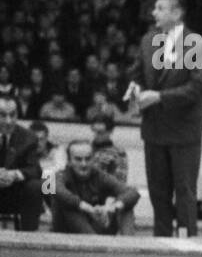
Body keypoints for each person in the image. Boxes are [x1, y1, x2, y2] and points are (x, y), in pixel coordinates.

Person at [130, 0, 202, 237]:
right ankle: (161, 243)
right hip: (153, 130)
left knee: (184, 194)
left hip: (183, 132)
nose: (154, 12)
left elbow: (197, 88)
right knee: (158, 193)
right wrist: (134, 93)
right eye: (155, 8)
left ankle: (185, 244)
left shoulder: (195, 43)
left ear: (177, 13)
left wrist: (160, 97)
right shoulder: (146, 40)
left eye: (161, 8)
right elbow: (136, 76)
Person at [51, 139, 140, 235]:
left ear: (93, 159)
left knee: (126, 205)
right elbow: (52, 188)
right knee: (68, 205)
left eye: (88, 159)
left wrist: (111, 207)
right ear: (69, 161)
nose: (83, 164)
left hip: (97, 225)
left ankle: (129, 244)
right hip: (68, 231)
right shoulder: (60, 174)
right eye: (78, 159)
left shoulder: (99, 175)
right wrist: (85, 207)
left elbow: (133, 192)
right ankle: (93, 240)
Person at [0, 95, 44, 230]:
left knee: (39, 184)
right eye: (2, 115)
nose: (8, 121)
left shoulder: (28, 137)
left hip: (14, 194)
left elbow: (36, 170)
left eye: (12, 115)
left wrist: (14, 174)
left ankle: (29, 241)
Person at [88, 112, 129, 182]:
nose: (96, 135)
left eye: (100, 132)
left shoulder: (118, 153)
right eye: (94, 131)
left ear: (110, 131)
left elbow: (120, 180)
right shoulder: (84, 149)